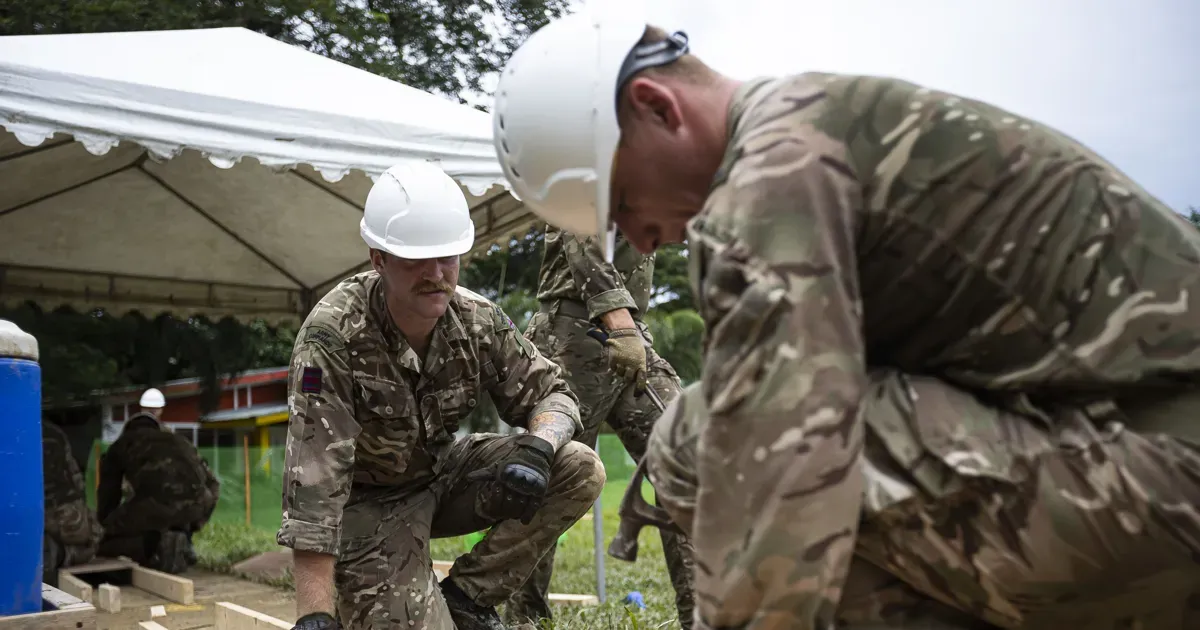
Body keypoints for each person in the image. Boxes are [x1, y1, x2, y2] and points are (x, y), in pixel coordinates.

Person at [490, 5, 1200, 630]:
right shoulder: (814, 122)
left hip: (1163, 481)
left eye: (623, 206)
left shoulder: (771, 184)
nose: (641, 241)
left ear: (657, 107)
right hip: (1134, 469)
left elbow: (783, 458)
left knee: (705, 436)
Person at [276, 161, 605, 630]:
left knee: (577, 465)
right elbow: (315, 483)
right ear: (379, 260)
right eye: (416, 260)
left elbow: (553, 393)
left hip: (443, 474)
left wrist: (539, 447)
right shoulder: (332, 337)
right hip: (370, 503)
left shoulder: (477, 320)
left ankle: (469, 596)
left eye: (447, 257)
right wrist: (314, 615)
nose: (435, 274)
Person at [503, 225, 696, 628]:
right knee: (553, 479)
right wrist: (620, 324)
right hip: (573, 336)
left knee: (687, 463)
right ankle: (523, 618)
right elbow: (582, 235)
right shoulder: (590, 182)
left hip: (632, 339)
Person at [97, 388, 220, 574]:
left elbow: (108, 494)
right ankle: (182, 537)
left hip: (155, 505)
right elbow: (213, 483)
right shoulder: (179, 440)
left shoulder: (122, 444)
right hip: (197, 503)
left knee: (107, 541)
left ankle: (152, 546)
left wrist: (104, 528)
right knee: (168, 510)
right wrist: (195, 523)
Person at [42, 418, 103, 585]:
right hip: (73, 517)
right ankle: (70, 553)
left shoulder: (9, 432)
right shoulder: (54, 432)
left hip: (41, 521)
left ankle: (59, 554)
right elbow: (78, 483)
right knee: (91, 540)